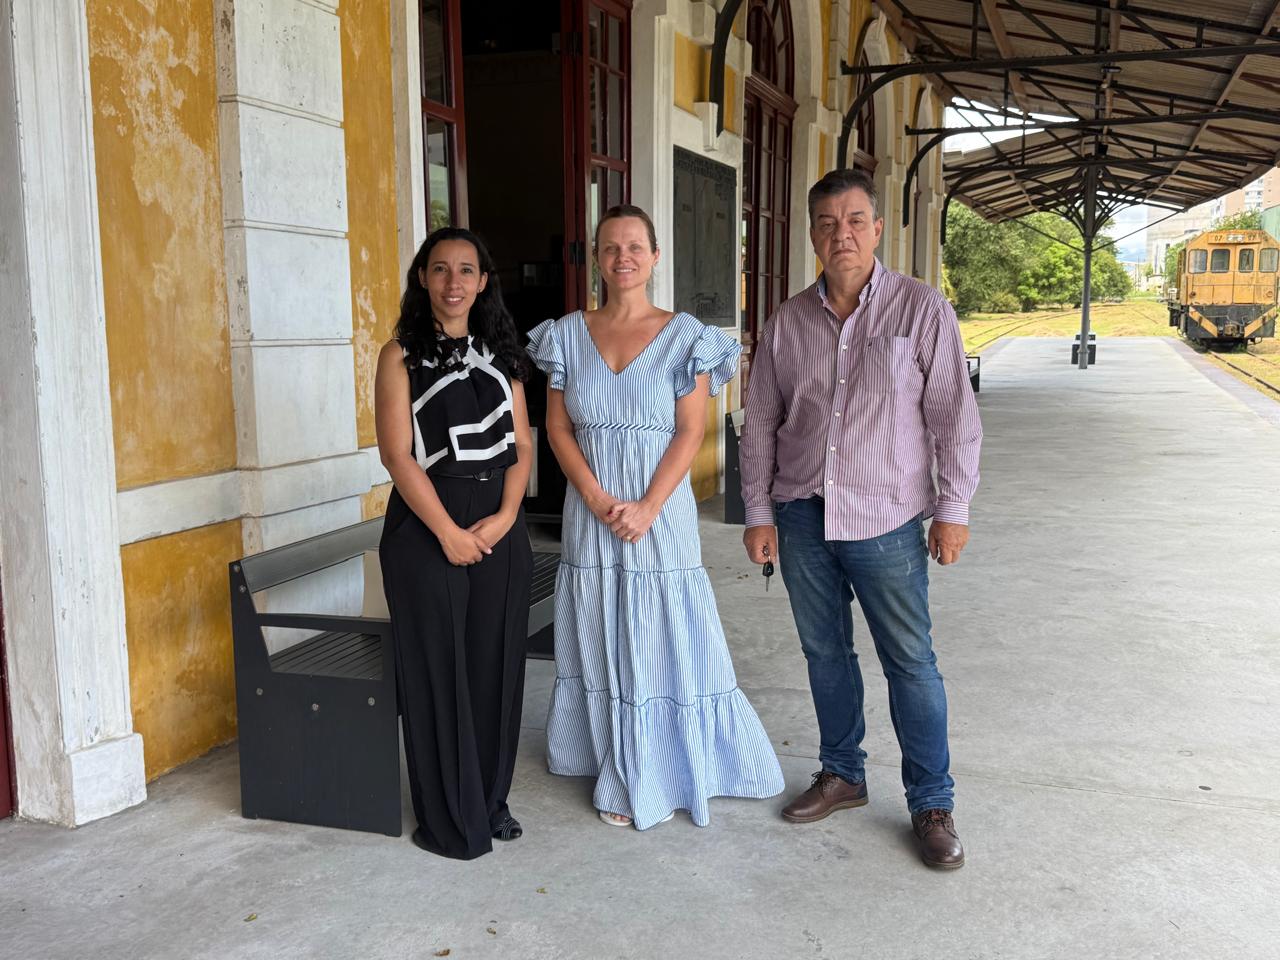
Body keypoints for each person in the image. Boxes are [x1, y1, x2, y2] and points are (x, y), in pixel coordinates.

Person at [740, 169, 982, 869]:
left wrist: (952, 508)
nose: (840, 234)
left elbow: (952, 418)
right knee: (825, 655)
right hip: (802, 517)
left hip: (887, 519)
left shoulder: (920, 310)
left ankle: (931, 803)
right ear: (812, 235)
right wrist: (759, 512)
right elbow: (759, 424)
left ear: (877, 229)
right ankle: (842, 773)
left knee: (910, 661)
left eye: (853, 220)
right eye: (826, 223)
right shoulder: (787, 322)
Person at [527, 204, 784, 830]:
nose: (623, 258)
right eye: (611, 247)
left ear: (655, 256)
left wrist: (646, 506)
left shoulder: (686, 334)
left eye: (635, 246)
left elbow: (691, 432)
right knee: (598, 629)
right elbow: (557, 428)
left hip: (659, 514)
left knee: (658, 631)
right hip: (591, 513)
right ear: (596, 257)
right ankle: (608, 753)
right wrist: (593, 498)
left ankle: (654, 766)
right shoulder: (563, 335)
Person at [374, 227, 534, 860]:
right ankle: (448, 817)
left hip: (498, 519)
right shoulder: (400, 355)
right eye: (440, 270)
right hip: (425, 523)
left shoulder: (504, 352)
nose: (453, 282)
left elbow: (523, 446)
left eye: (466, 270)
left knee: (494, 665)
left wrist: (504, 518)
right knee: (438, 671)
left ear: (483, 281)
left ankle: (490, 801)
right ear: (423, 278)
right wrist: (445, 531)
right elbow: (396, 452)